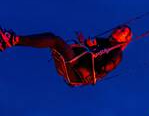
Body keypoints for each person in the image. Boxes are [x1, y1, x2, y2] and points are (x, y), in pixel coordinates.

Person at [0, 25, 132, 86]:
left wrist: (93, 51)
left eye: (122, 31)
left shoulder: (117, 52)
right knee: (51, 36)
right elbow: (90, 43)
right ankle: (9, 42)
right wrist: (84, 41)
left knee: (55, 41)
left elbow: (103, 69)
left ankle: (12, 40)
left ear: (125, 39)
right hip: (76, 60)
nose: (118, 30)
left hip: (80, 72)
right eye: (120, 28)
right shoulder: (104, 41)